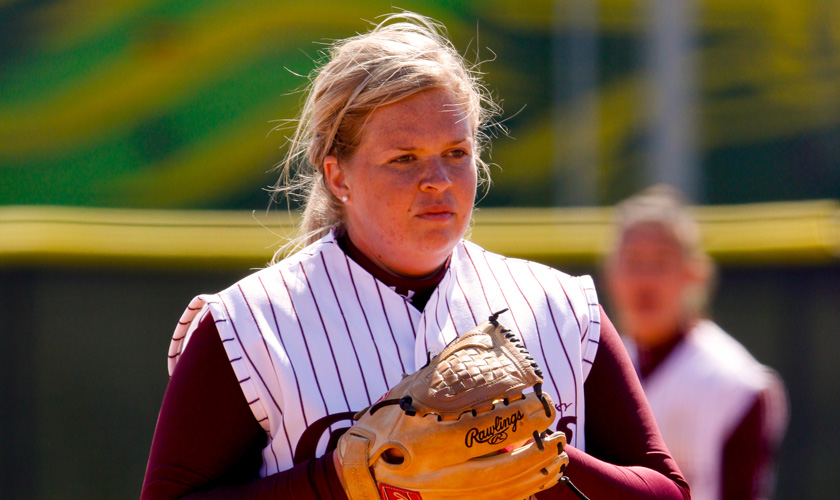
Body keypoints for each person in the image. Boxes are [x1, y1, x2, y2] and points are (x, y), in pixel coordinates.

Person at [141, 12, 690, 500]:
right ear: (337, 176)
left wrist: (540, 461)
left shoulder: (562, 309)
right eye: (404, 158)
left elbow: (668, 492)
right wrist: (342, 479)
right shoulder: (250, 326)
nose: (438, 180)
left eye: (456, 153)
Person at [603, 185, 789, 500]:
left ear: (694, 274)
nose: (644, 280)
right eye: (632, 261)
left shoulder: (737, 385)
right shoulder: (592, 366)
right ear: (611, 275)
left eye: (660, 261)